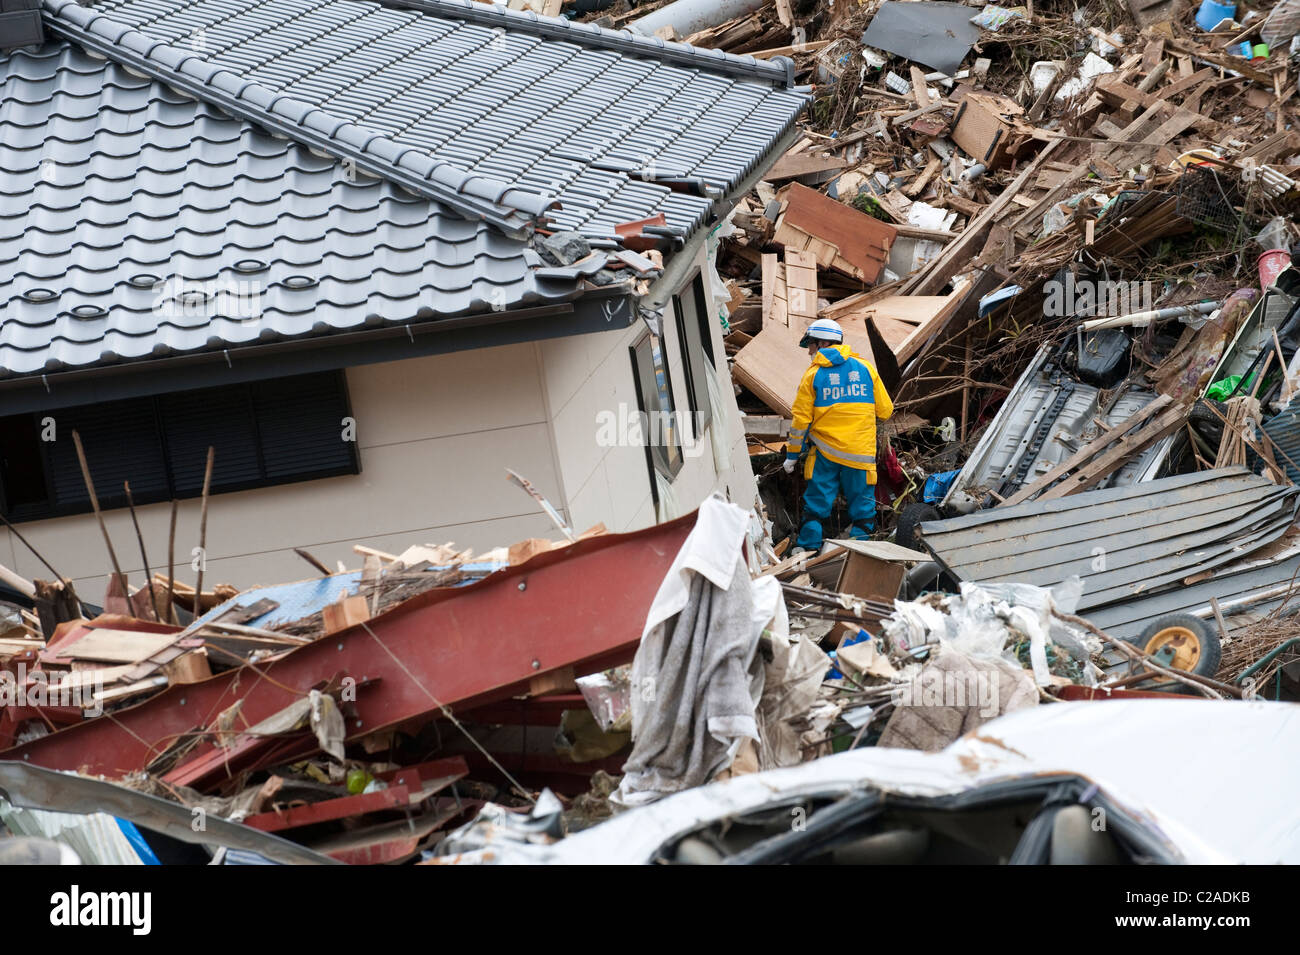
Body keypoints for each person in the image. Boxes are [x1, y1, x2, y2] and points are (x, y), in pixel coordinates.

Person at [782, 318, 893, 555]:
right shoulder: (865, 368)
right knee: (863, 508)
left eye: (811, 346)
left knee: (816, 505)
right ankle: (858, 555)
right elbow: (885, 411)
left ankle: (808, 550)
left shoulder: (812, 376)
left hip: (825, 454)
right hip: (860, 454)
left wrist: (792, 456)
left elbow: (801, 422)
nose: (810, 352)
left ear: (822, 343)